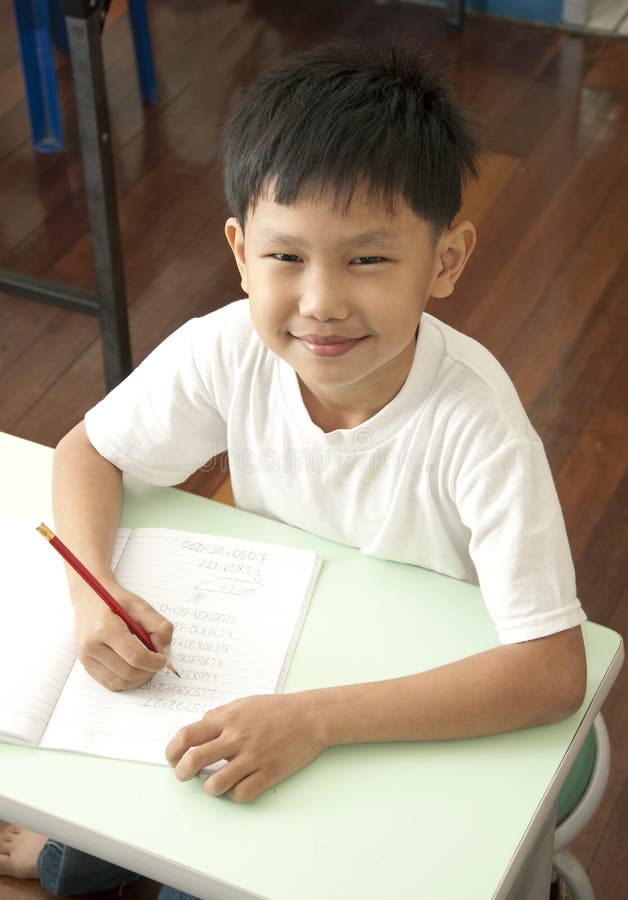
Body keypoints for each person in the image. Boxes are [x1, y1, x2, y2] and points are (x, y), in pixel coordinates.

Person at [0, 38, 587, 898]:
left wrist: (315, 720)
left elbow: (551, 670)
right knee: (174, 781)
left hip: (410, 708)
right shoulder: (230, 346)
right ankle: (74, 857)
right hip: (278, 655)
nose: (320, 301)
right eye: (285, 257)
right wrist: (96, 594)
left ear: (447, 262)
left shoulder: (478, 426)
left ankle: (72, 863)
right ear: (240, 252)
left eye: (368, 259)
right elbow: (92, 450)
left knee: (206, 863)